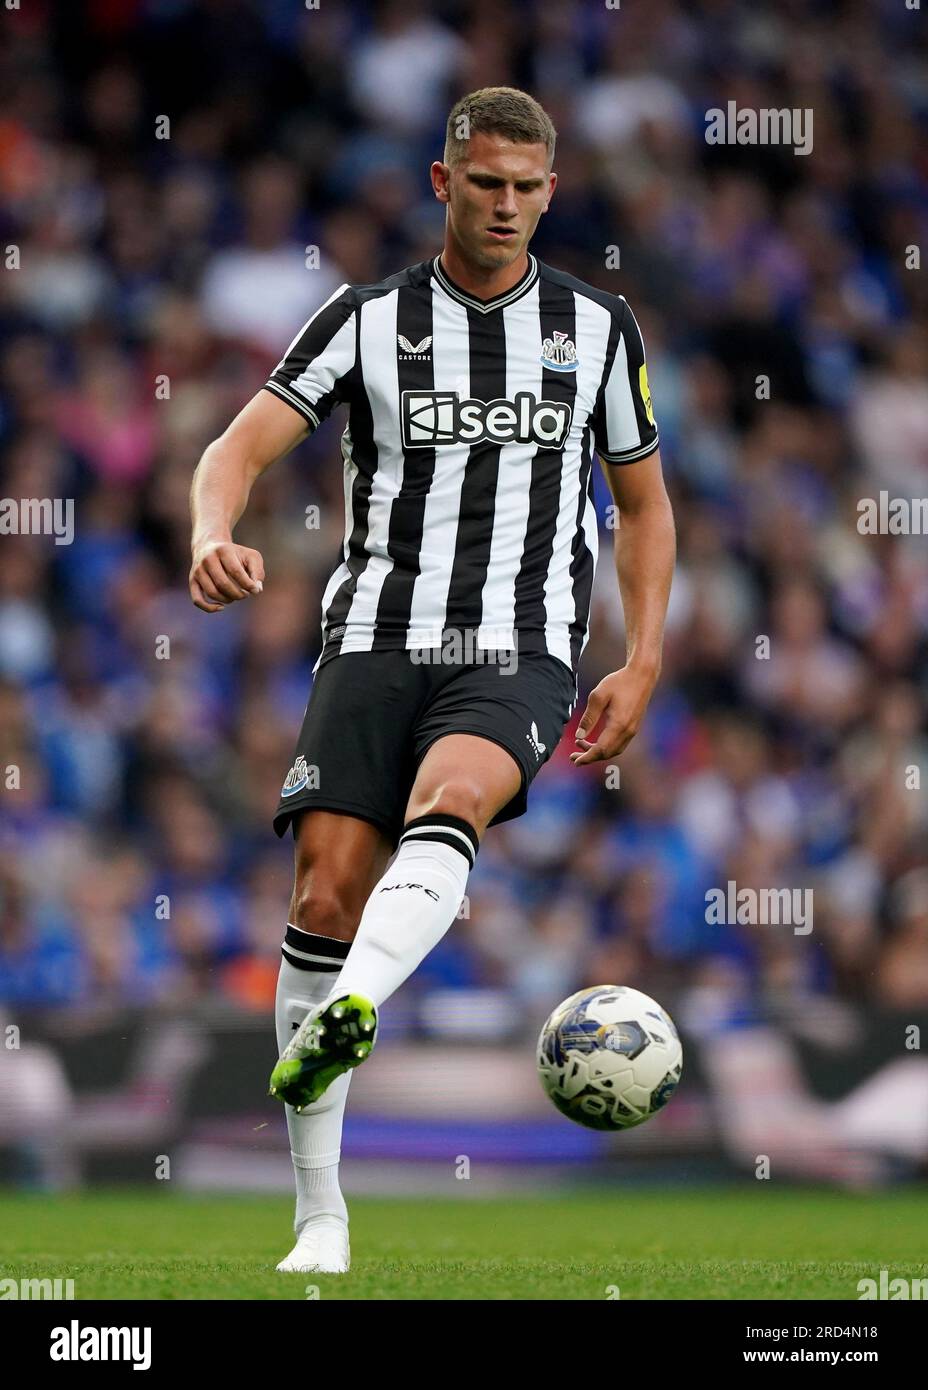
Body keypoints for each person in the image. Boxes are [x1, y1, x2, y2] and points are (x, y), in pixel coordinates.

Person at [188, 87, 675, 1274]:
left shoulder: (598, 329)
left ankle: (351, 1010)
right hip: (372, 640)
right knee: (319, 898)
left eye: (526, 187)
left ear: (551, 193)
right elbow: (233, 445)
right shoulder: (364, 320)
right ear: (441, 183)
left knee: (452, 798)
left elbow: (644, 503)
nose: (505, 205)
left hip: (519, 641)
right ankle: (321, 1214)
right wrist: (213, 528)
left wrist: (644, 655)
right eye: (485, 182)